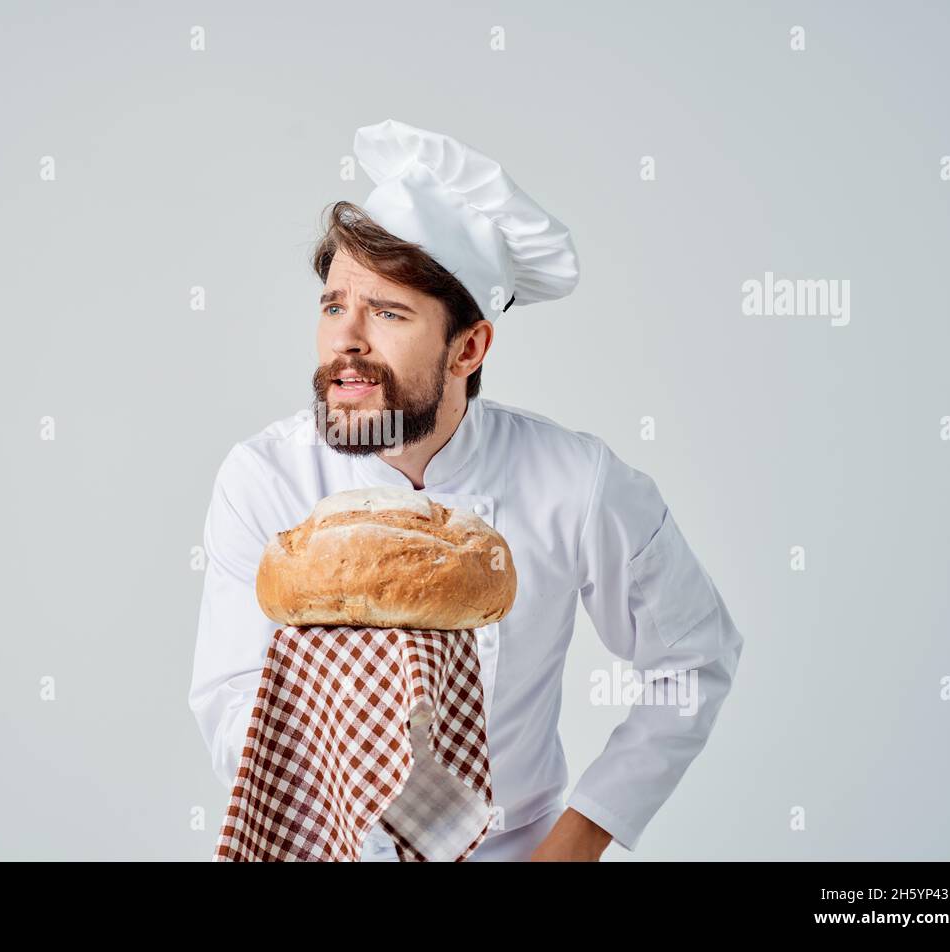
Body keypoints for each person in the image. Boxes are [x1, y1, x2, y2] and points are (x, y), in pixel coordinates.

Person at [189, 119, 744, 861]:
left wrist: (575, 843)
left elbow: (693, 656)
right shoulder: (264, 479)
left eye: (387, 312)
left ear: (470, 347)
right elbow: (233, 703)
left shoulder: (573, 481)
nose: (346, 340)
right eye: (333, 306)